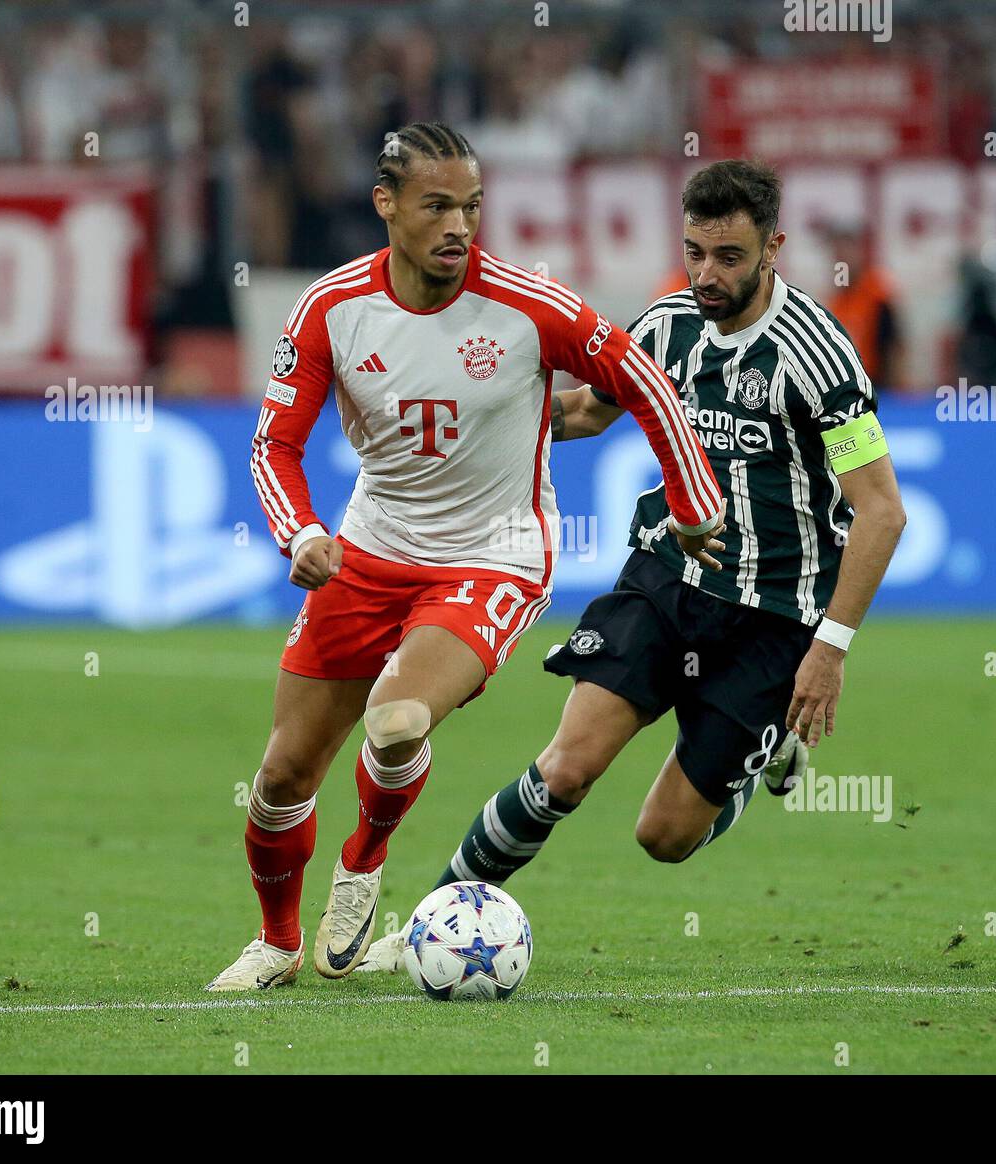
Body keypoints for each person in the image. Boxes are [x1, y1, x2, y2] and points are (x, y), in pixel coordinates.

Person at [205, 122, 723, 991]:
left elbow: (644, 380)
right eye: (437, 205)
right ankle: (277, 945)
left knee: (397, 718)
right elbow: (273, 447)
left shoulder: (531, 306)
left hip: (493, 553)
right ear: (386, 204)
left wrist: (693, 504)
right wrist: (299, 531)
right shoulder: (332, 309)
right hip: (368, 549)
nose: (459, 225)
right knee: (280, 777)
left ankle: (363, 861)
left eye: (472, 207)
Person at [360, 158, 908, 972]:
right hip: (666, 580)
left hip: (774, 617)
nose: (707, 274)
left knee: (664, 837)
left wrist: (829, 651)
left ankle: (753, 763)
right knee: (566, 770)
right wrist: (483, 413)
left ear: (774, 248)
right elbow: (588, 409)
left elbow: (882, 510)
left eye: (728, 256)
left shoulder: (819, 355)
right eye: (695, 252)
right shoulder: (666, 324)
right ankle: (421, 934)